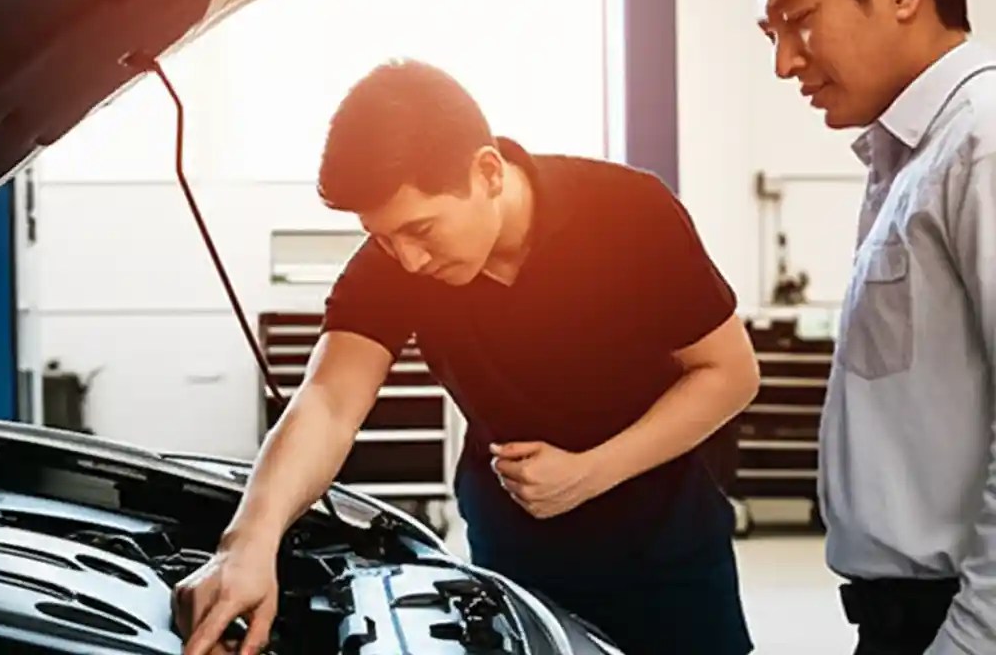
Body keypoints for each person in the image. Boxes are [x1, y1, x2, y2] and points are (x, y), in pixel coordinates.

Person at [171, 59, 762, 655]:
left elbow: (730, 373)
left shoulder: (629, 212)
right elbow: (327, 401)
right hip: (515, 550)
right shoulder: (393, 265)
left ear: (488, 173)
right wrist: (248, 542)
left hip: (666, 547)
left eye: (422, 230)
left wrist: (591, 471)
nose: (408, 260)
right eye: (382, 237)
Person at [737, 0, 996, 653]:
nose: (784, 63)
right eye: (770, 34)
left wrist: (970, 640)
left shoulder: (982, 143)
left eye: (799, 20)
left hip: (955, 620)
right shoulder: (916, 156)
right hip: (908, 616)